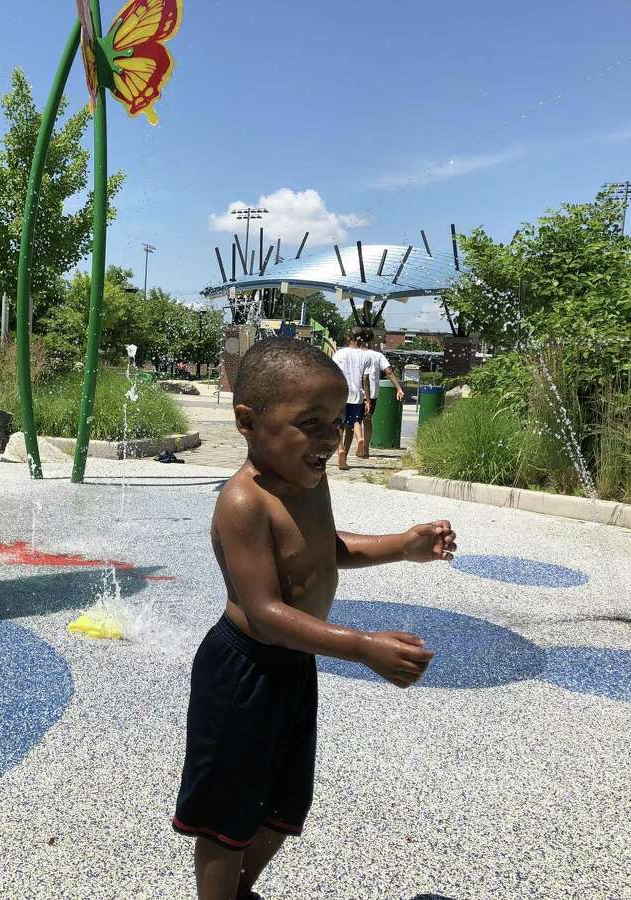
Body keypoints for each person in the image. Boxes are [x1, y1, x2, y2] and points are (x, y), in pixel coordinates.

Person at [171, 337, 456, 900]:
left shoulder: (311, 480)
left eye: (337, 420)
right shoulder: (243, 502)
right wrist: (363, 646)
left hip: (293, 669)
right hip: (243, 673)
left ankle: (237, 893)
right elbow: (265, 612)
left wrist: (403, 545)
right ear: (248, 422)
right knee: (225, 816)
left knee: (282, 802)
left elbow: (324, 550)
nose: (329, 438)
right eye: (311, 422)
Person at [357, 328, 405, 458]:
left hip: (354, 393)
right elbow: (388, 372)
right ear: (372, 340)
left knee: (355, 421)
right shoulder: (378, 356)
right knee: (367, 419)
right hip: (372, 394)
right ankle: (366, 449)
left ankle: (358, 439)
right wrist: (398, 388)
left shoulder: (353, 354)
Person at [330, 327, 370, 470]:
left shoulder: (340, 353)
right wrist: (368, 399)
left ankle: (340, 449)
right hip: (357, 394)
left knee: (339, 424)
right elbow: (365, 378)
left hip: (341, 393)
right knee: (354, 422)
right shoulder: (365, 355)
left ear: (349, 337)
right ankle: (359, 440)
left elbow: (333, 374)